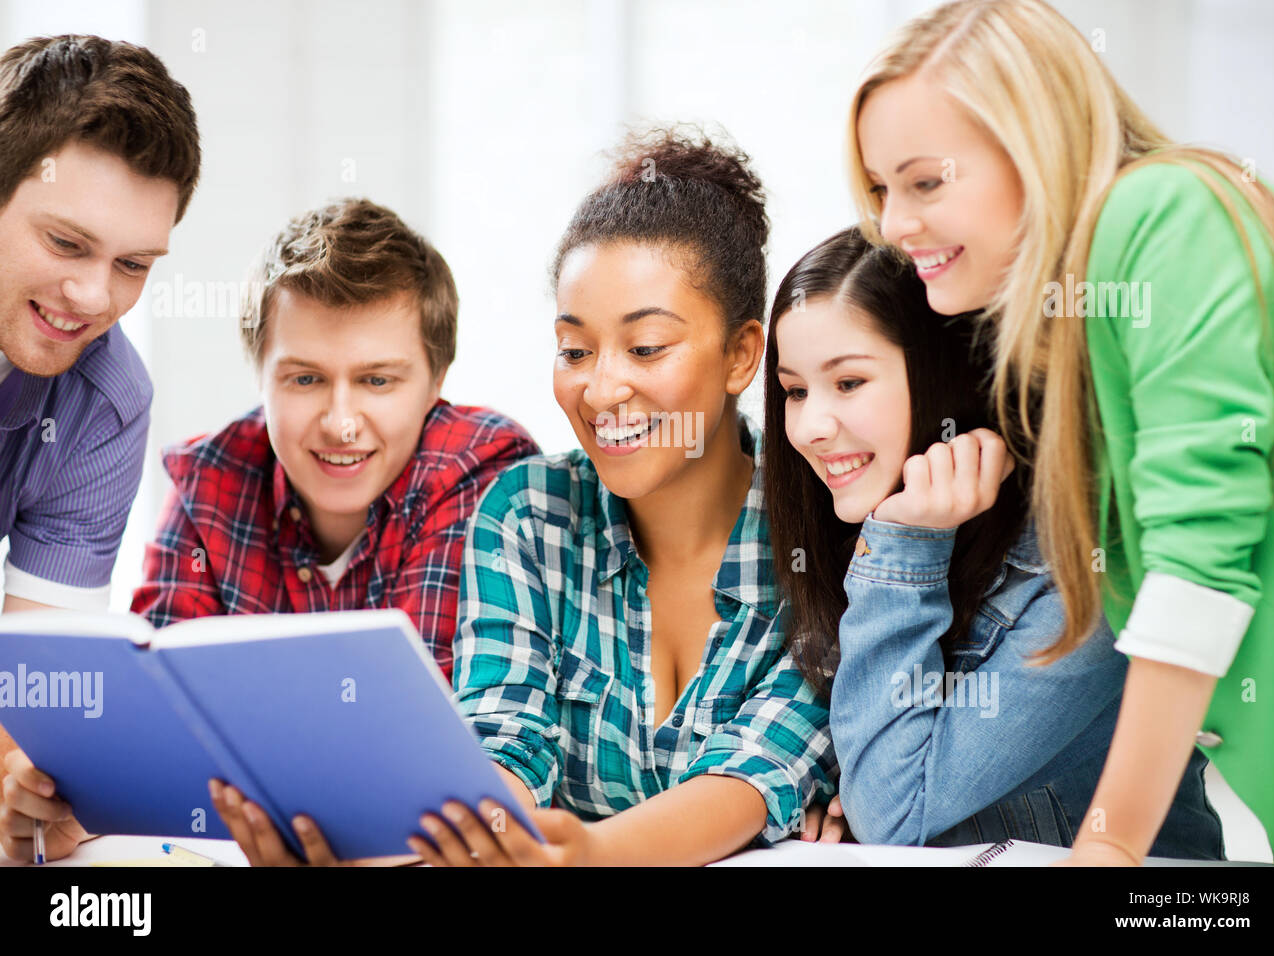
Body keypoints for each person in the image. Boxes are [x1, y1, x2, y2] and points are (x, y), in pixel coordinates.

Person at [211, 127, 837, 866]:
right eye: (575, 350)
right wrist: (464, 840)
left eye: (645, 348)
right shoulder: (526, 513)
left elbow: (757, 771)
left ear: (741, 355)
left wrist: (586, 856)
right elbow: (504, 733)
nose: (601, 389)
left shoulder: (822, 525)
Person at [847, 0, 1274, 865]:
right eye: (881, 189)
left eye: (926, 181)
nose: (893, 226)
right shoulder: (1078, 339)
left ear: (1035, 142)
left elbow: (1199, 563)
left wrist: (1110, 847)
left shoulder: (1161, 212)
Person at [2, 197, 539, 863]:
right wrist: (76, 800)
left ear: (436, 383)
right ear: (260, 375)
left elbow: (420, 750)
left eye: (377, 380)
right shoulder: (209, 477)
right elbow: (155, 727)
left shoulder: (483, 472)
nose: (341, 421)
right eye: (305, 378)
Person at [765, 226, 1223, 856]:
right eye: (794, 391)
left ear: (944, 377)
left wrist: (905, 545)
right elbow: (882, 791)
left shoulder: (1081, 567)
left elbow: (896, 819)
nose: (812, 428)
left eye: (848, 383)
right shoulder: (846, 533)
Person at [0, 34, 200, 865]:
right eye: (66, 244)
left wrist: (36, 783)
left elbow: (31, 683)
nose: (92, 298)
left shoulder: (105, 404)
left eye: (133, 264)